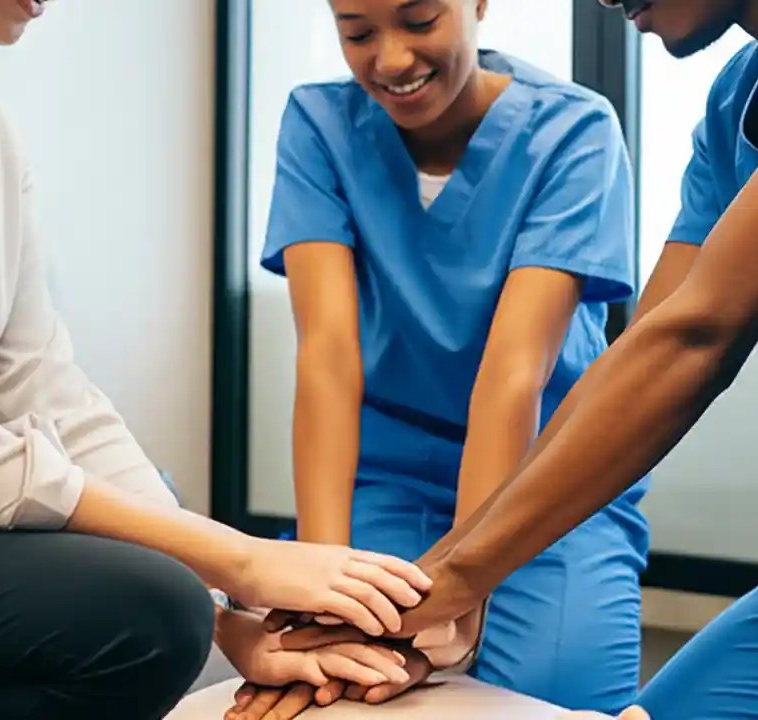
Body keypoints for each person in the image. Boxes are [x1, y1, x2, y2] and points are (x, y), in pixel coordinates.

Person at [278, 0, 758, 718]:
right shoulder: (736, 104)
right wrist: (442, 582)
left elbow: (698, 338)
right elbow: (645, 344)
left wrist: (455, 579)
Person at [0, 1, 434, 717]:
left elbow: (42, 390)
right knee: (151, 604)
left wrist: (232, 619)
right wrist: (244, 561)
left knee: (156, 562)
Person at [232, 0, 650, 716]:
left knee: (551, 699)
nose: (390, 60)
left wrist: (468, 584)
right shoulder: (319, 124)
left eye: (421, 20)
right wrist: (325, 580)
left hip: (546, 484)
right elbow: (328, 357)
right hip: (387, 477)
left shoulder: (573, 132)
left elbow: (514, 373)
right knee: (341, 683)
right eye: (357, 32)